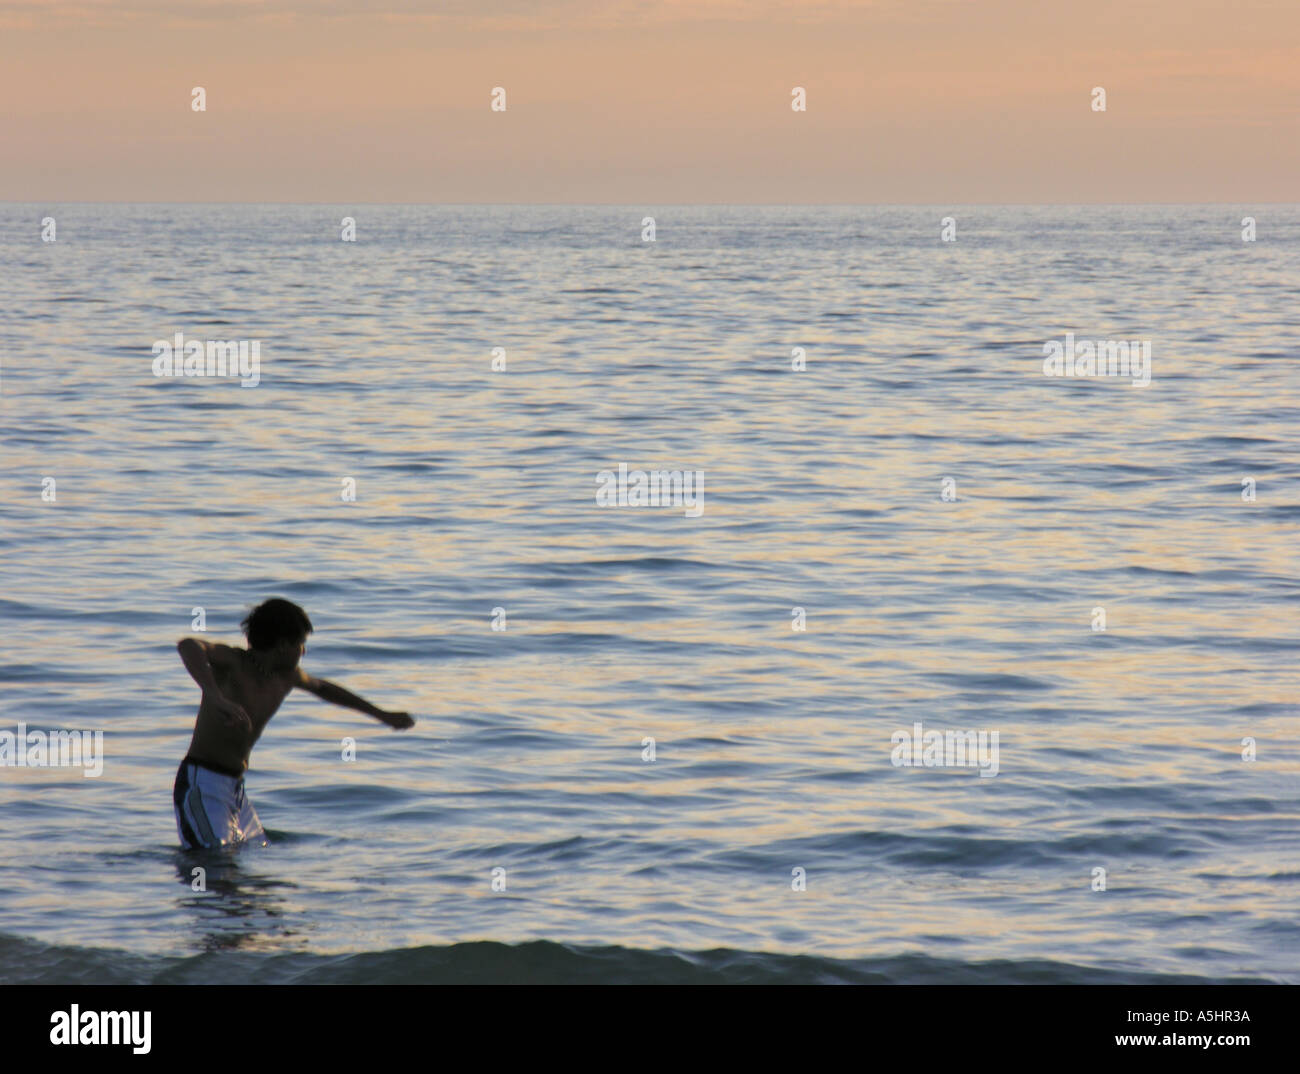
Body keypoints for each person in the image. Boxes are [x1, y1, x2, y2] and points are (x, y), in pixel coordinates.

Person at [173, 597, 413, 849]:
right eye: (301, 644)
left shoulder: (287, 677)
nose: (304, 651)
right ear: (284, 646)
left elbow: (325, 689)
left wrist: (381, 714)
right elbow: (189, 645)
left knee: (257, 854)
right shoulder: (234, 663)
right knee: (215, 862)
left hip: (234, 788)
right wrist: (214, 695)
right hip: (201, 782)